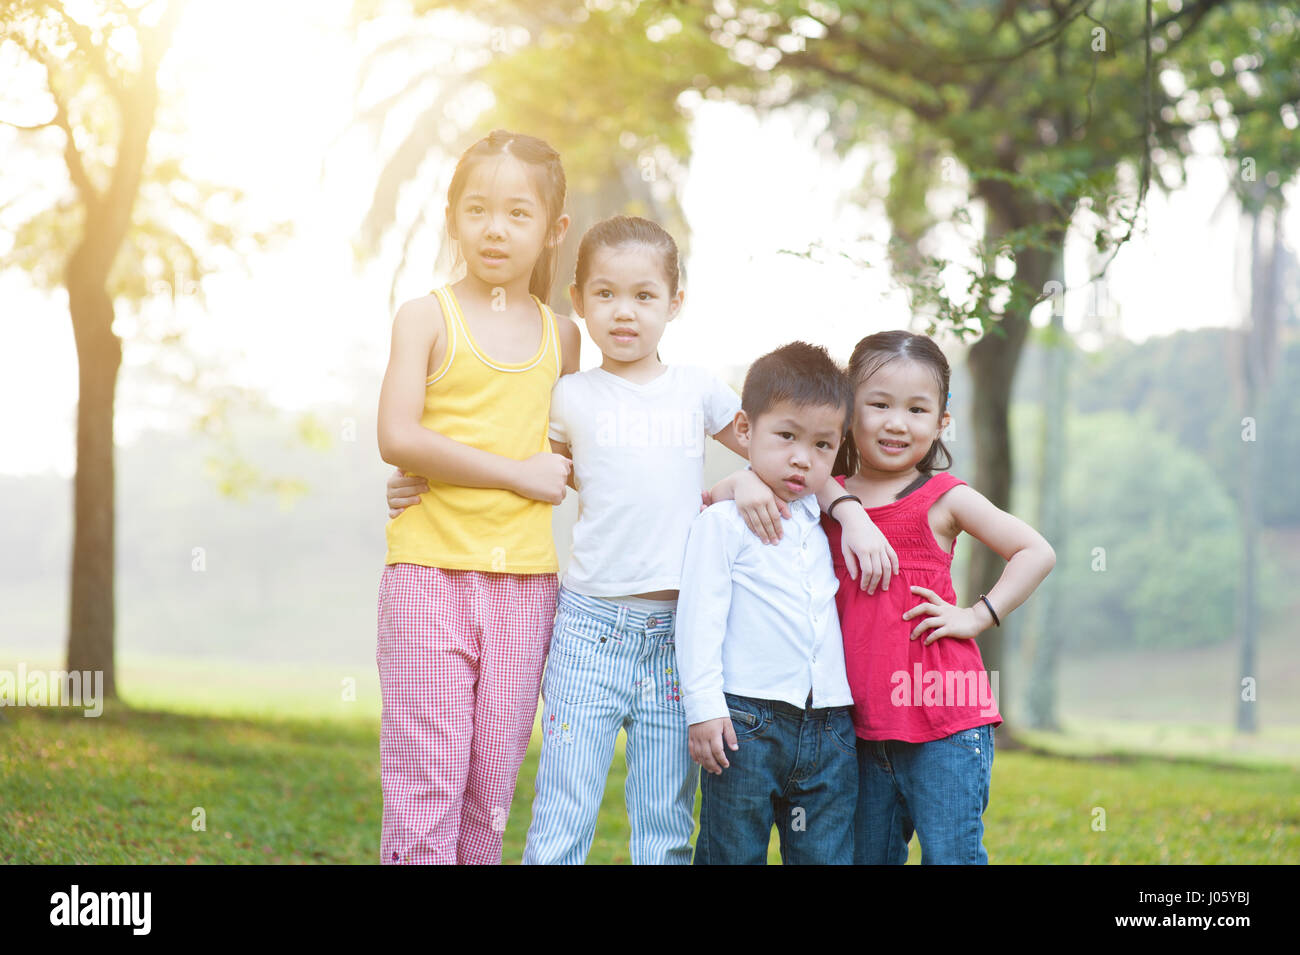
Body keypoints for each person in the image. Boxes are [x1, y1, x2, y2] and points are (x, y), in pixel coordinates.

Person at [388, 222, 893, 864]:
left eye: (644, 296)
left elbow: (795, 453)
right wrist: (417, 482)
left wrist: (844, 510)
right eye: (605, 294)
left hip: (671, 637)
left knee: (664, 822)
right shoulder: (568, 396)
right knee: (563, 813)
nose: (624, 312)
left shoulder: (698, 389)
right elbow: (521, 472)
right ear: (578, 300)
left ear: (674, 301)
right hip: (587, 627)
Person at [719, 330, 1056, 865]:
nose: (897, 422)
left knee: (951, 856)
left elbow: (1035, 551)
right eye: (879, 404)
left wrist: (975, 615)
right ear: (849, 409)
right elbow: (729, 489)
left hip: (945, 721)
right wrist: (745, 483)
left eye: (917, 410)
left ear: (942, 421)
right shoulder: (819, 493)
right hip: (855, 731)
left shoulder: (945, 497)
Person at [374, 129, 581, 865]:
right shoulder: (425, 317)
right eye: (477, 209)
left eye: (518, 213)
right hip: (430, 573)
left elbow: (573, 454)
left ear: (553, 229)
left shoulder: (564, 336)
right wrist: (512, 472)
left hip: (527, 586)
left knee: (490, 793)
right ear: (452, 216)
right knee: (426, 781)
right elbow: (397, 436)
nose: (495, 228)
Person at [676, 342, 861, 865]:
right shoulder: (723, 522)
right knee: (733, 852)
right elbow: (699, 621)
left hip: (829, 722)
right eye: (786, 436)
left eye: (823, 445)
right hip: (746, 723)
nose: (803, 457)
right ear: (744, 430)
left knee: (826, 855)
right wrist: (704, 709)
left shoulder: (826, 523)